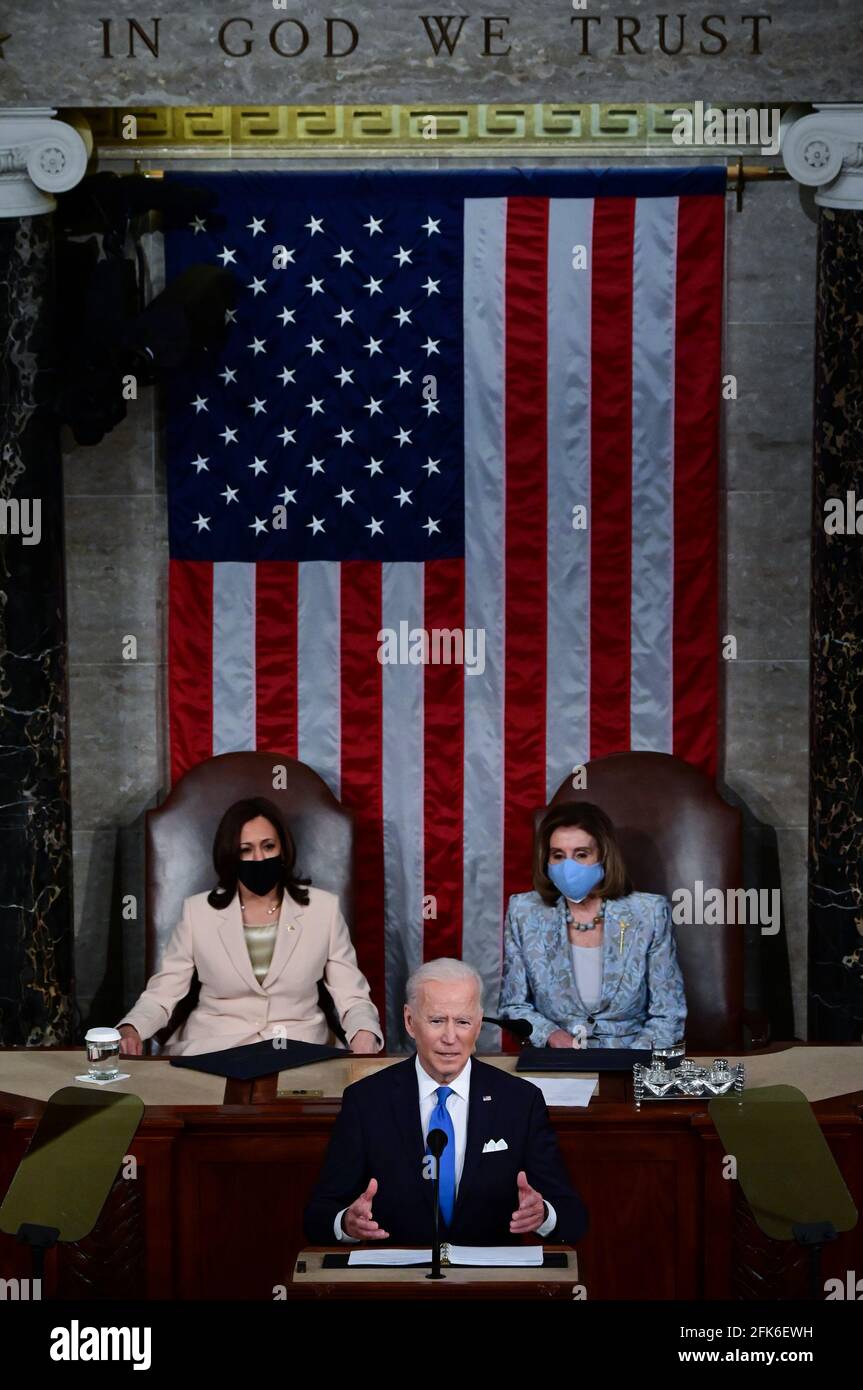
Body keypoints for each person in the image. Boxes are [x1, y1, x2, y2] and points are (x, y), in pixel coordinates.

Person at [303, 958, 587, 1247]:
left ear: (477, 1025)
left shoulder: (520, 1101)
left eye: (463, 1022)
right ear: (410, 1022)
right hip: (399, 1281)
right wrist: (347, 1223)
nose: (450, 1037)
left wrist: (542, 1215)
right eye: (437, 1021)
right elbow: (317, 1217)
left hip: (489, 1283)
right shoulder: (366, 1101)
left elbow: (573, 1218)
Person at [116, 796, 382, 1057]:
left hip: (300, 1047)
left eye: (268, 847)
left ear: (283, 850)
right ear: (231, 856)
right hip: (213, 1047)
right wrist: (132, 1028)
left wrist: (364, 1033)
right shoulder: (198, 912)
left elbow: (353, 997)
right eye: (246, 849)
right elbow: (162, 996)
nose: (258, 858)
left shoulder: (323, 909)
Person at [498, 802, 686, 1049]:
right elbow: (513, 1006)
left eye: (581, 854)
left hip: (631, 1062)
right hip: (558, 1062)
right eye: (558, 856)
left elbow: (668, 1013)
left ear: (604, 857)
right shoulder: (524, 912)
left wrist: (631, 1060)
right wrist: (552, 1036)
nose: (568, 866)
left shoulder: (649, 913)